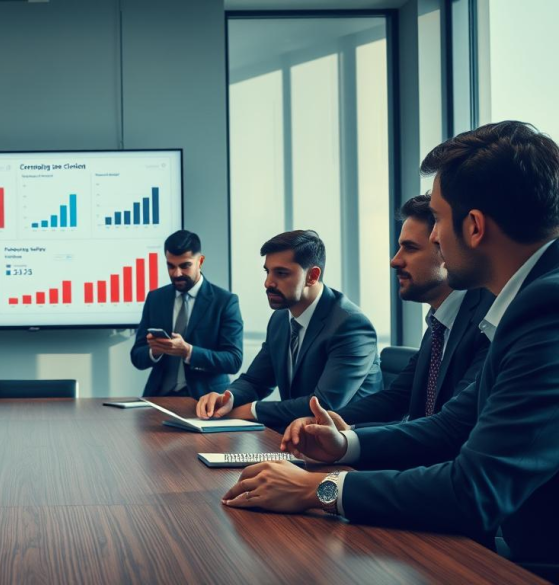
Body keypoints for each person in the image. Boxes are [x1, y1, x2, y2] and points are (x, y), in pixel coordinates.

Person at [223, 121, 559, 565]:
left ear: (474, 226)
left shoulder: (545, 307)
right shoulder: (526, 301)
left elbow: (474, 489)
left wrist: (319, 488)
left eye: (437, 219)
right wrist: (345, 447)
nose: (435, 237)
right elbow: (452, 425)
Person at [288, 195, 493, 430]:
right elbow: (396, 397)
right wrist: (324, 423)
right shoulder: (440, 323)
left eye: (410, 248)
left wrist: (348, 441)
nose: (395, 261)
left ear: (447, 250)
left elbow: (450, 427)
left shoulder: (487, 322)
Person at [195, 230, 382, 431]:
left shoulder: (350, 325)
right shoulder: (280, 319)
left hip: (350, 447)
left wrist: (252, 410)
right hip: (298, 438)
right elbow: (256, 380)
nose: (268, 283)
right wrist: (228, 398)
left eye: (281, 273)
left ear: (312, 275)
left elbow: (324, 404)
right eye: (267, 271)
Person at [130, 230, 243, 399]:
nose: (177, 274)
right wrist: (155, 351)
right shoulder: (155, 299)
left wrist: (188, 351)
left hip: (207, 400)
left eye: (185, 266)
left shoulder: (225, 301)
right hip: (158, 398)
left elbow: (233, 361)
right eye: (171, 266)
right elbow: (137, 356)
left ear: (200, 261)